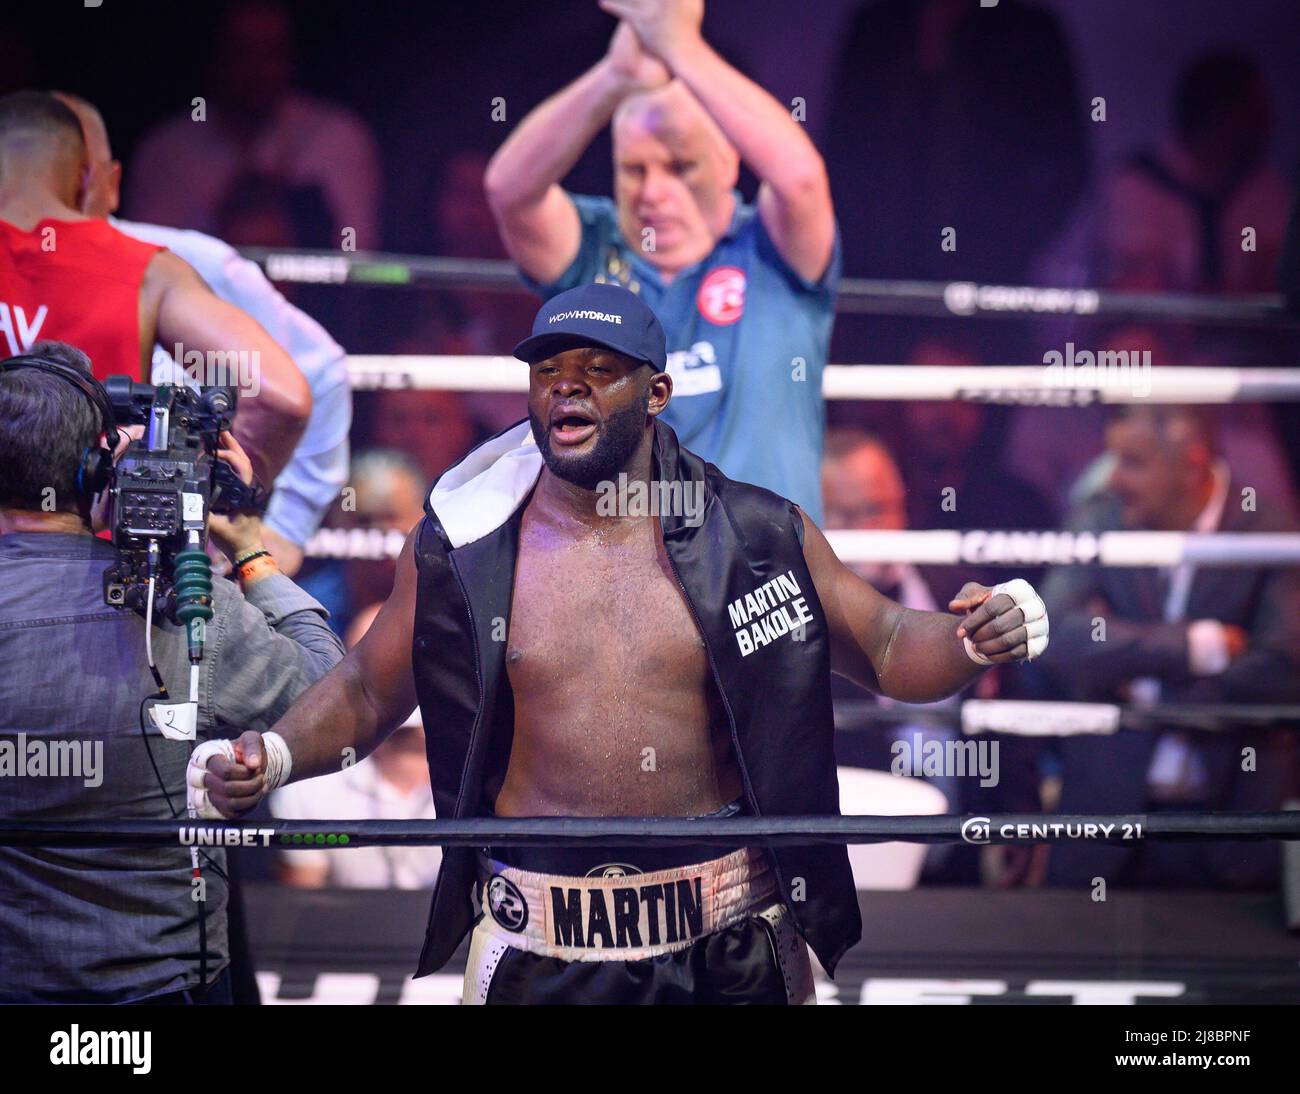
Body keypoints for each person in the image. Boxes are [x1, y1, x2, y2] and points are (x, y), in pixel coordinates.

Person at [194, 282, 1050, 1005]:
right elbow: (369, 692)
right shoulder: (465, 543)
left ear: (656, 394)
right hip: (541, 942)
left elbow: (894, 643)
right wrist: (268, 755)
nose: (568, 391)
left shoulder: (754, 532)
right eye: (550, 373)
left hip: (729, 939)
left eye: (599, 373)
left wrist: (978, 635)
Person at [0, 340, 345, 1004]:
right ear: (97, 475)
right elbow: (328, 701)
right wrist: (249, 549)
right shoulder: (182, 608)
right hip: (157, 987)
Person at [485, 2, 839, 522]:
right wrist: (615, 76)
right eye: (634, 169)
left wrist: (681, 46)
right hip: (623, 561)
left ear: (728, 162)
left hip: (766, 563)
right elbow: (508, 189)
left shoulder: (770, 243)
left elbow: (801, 178)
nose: (653, 192)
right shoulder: (593, 245)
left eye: (679, 166)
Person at [53, 92, 352, 575]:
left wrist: (272, 525)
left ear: (107, 182)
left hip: (163, 569)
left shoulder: (187, 263)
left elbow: (318, 371)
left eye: (68, 171)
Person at [1035, 404, 1300, 889]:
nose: (1114, 478)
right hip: (1102, 827)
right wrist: (1196, 648)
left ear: (1192, 461)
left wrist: (1147, 693)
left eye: (1133, 462)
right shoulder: (1101, 519)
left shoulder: (1269, 531)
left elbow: (1284, 667)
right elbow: (1051, 632)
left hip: (1233, 833)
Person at [0, 91, 311, 490]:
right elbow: (280, 397)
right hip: (100, 543)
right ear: (85, 178)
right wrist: (211, 501)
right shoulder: (148, 270)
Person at [127, 0, 381, 247]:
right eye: (243, 51)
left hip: (313, 289)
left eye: (272, 52)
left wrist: (299, 235)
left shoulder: (336, 137)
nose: (257, 70)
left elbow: (358, 257)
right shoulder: (167, 151)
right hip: (198, 288)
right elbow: (146, 261)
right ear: (216, 57)